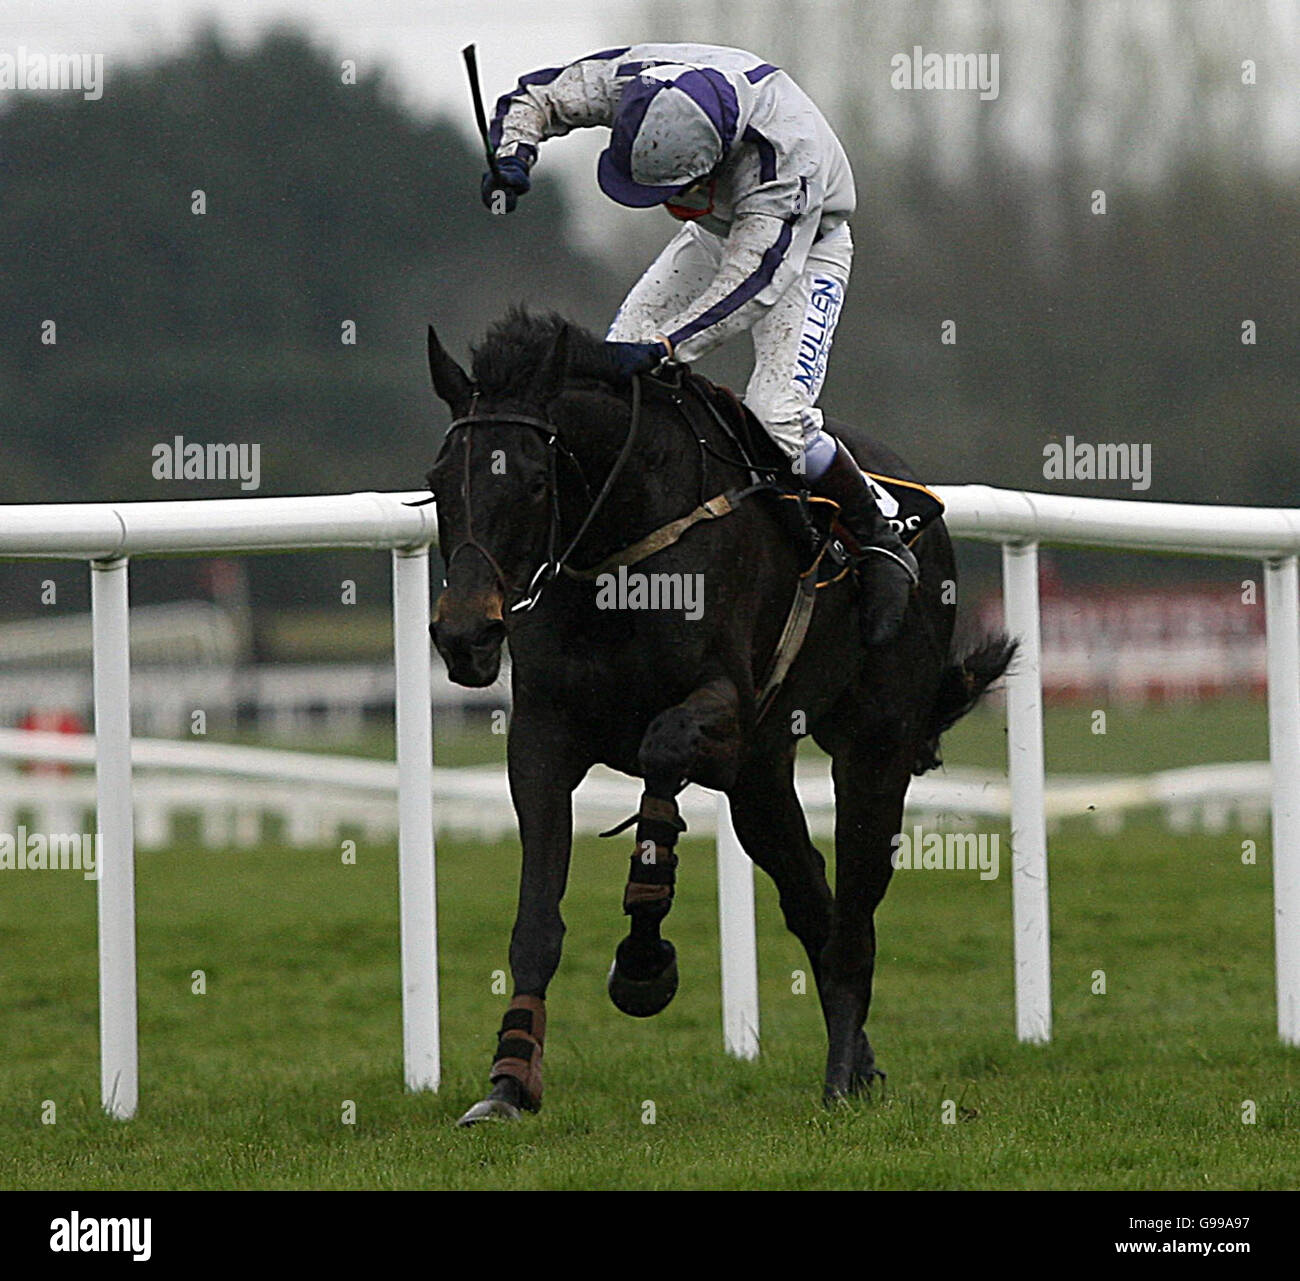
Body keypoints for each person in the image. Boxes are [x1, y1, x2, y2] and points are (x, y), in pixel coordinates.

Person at [482, 42, 917, 644]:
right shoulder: (634, 80)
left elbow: (753, 287)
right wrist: (514, 149)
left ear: (713, 159)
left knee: (776, 414)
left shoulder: (786, 163)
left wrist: (667, 347)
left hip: (804, 246)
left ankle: (878, 538)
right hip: (715, 234)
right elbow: (539, 95)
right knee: (615, 378)